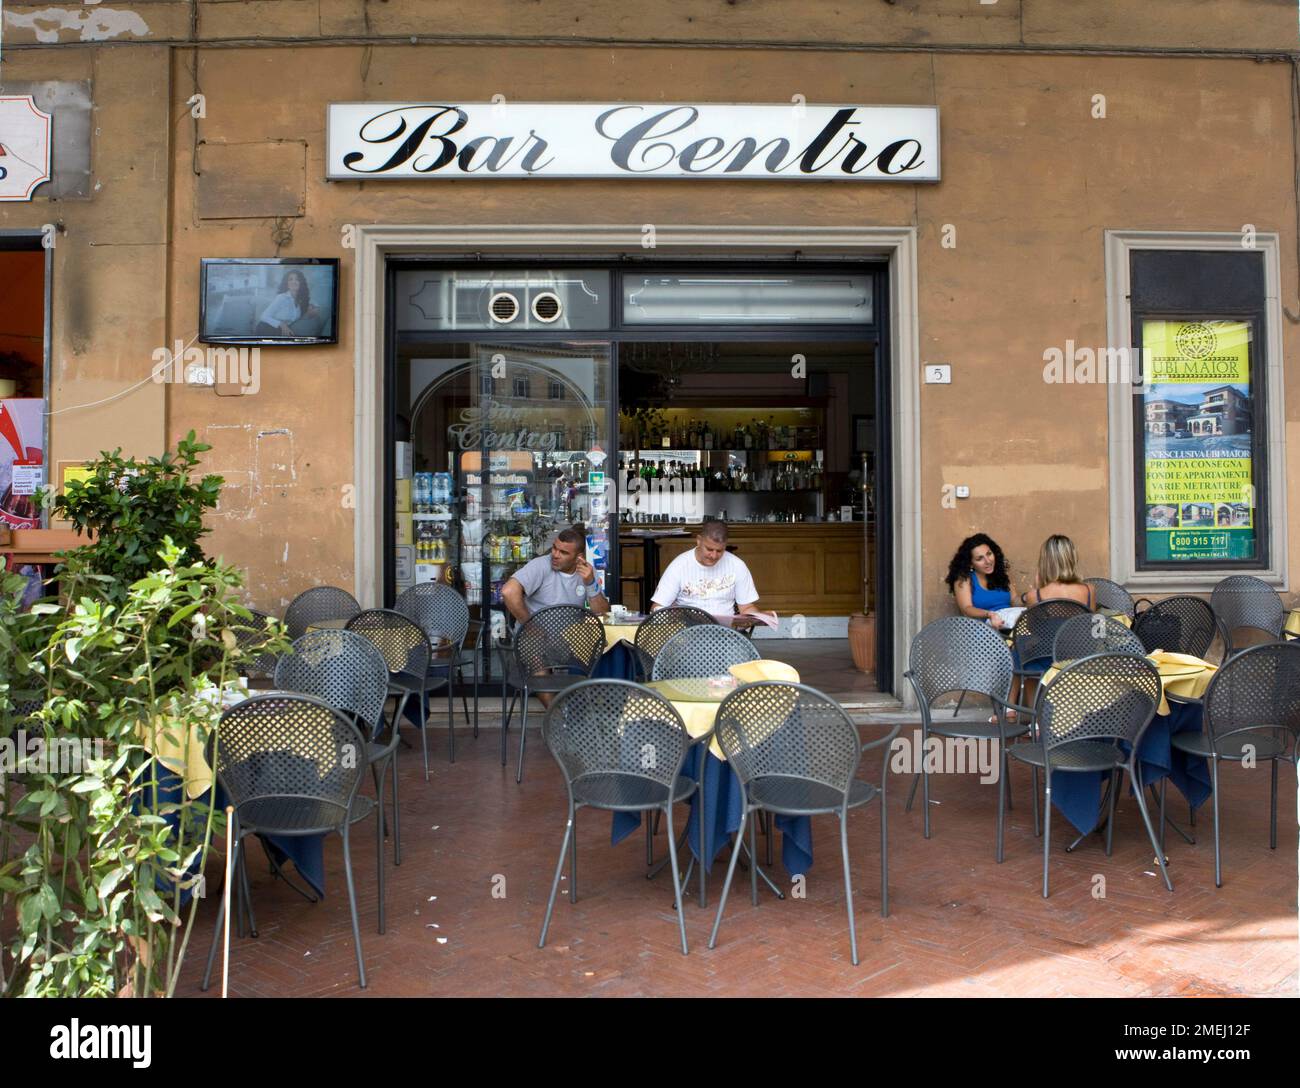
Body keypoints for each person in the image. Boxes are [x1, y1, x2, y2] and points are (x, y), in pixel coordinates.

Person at [500, 524, 609, 624]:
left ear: (578, 557)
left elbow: (603, 614)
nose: (555, 555)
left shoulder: (587, 571)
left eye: (563, 552)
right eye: (555, 548)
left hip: (573, 642)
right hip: (535, 643)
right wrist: (530, 628)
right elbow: (508, 591)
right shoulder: (540, 565)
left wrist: (590, 584)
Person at [650, 519, 760, 616]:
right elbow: (658, 607)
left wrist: (760, 617)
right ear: (698, 541)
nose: (714, 556)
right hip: (687, 632)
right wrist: (672, 614)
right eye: (709, 549)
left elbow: (746, 607)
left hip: (725, 634)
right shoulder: (679, 565)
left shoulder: (737, 565)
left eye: (719, 551)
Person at [945, 533, 1015, 631]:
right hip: (981, 634)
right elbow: (966, 609)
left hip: (1008, 626)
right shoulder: (964, 579)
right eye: (979, 558)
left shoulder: (1002, 573)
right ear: (971, 564)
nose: (988, 561)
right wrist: (989, 614)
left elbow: (1014, 599)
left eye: (989, 554)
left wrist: (1029, 598)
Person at [1021, 534, 1096, 609]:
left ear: (1044, 562)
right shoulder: (1089, 590)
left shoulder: (1033, 596)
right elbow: (1091, 619)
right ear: (1072, 558)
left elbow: (1034, 620)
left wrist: (1036, 588)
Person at [255, 270, 320, 337]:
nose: (293, 282)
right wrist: (281, 324)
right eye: (290, 279)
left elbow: (315, 304)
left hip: (282, 331)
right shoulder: (282, 297)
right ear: (287, 283)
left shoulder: (302, 301)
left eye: (297, 279)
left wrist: (315, 308)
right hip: (266, 328)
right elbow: (263, 316)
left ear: (301, 283)